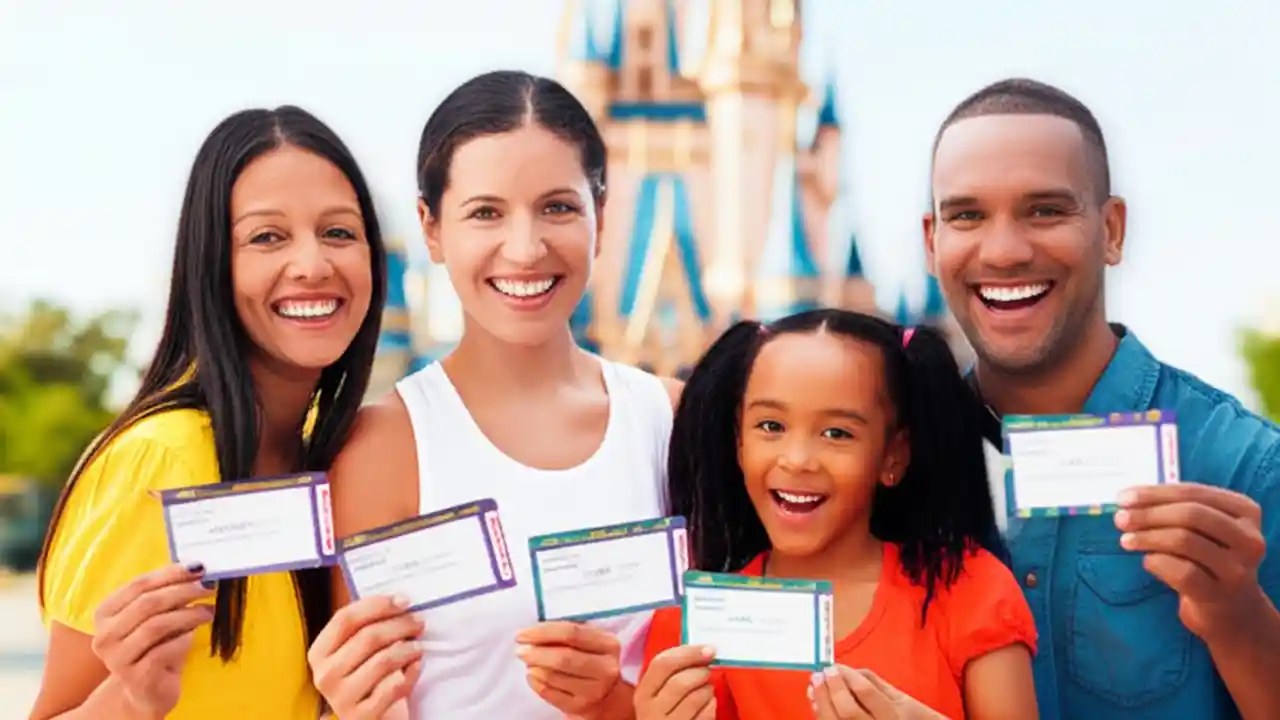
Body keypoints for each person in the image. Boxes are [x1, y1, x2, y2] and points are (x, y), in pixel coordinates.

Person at [304, 70, 682, 720]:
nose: (525, 248)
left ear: (601, 214)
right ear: (431, 228)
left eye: (558, 207)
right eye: (485, 213)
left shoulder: (670, 419)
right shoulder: (381, 447)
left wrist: (614, 705)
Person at [923, 77, 1280, 720]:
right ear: (932, 242)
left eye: (1045, 211)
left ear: (1112, 230)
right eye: (967, 215)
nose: (1004, 250)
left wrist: (1239, 617)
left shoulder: (1244, 468)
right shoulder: (890, 465)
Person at [30, 106, 387, 720]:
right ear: (213, 265)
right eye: (266, 237)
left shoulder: (328, 458)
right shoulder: (161, 456)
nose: (311, 264)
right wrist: (131, 697)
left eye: (338, 232)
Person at [634, 310, 1039, 720]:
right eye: (771, 425)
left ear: (893, 455)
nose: (797, 460)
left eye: (837, 433)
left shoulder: (971, 590)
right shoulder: (690, 622)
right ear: (738, 441)